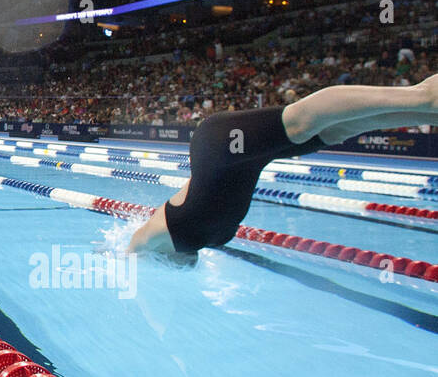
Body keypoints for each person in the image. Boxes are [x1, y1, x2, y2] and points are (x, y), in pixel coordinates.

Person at [130, 74, 438, 256]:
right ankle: (426, 112)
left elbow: (129, 258)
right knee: (334, 132)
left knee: (302, 121)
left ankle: (422, 96)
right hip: (238, 161)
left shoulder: (147, 240)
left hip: (219, 144)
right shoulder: (191, 247)